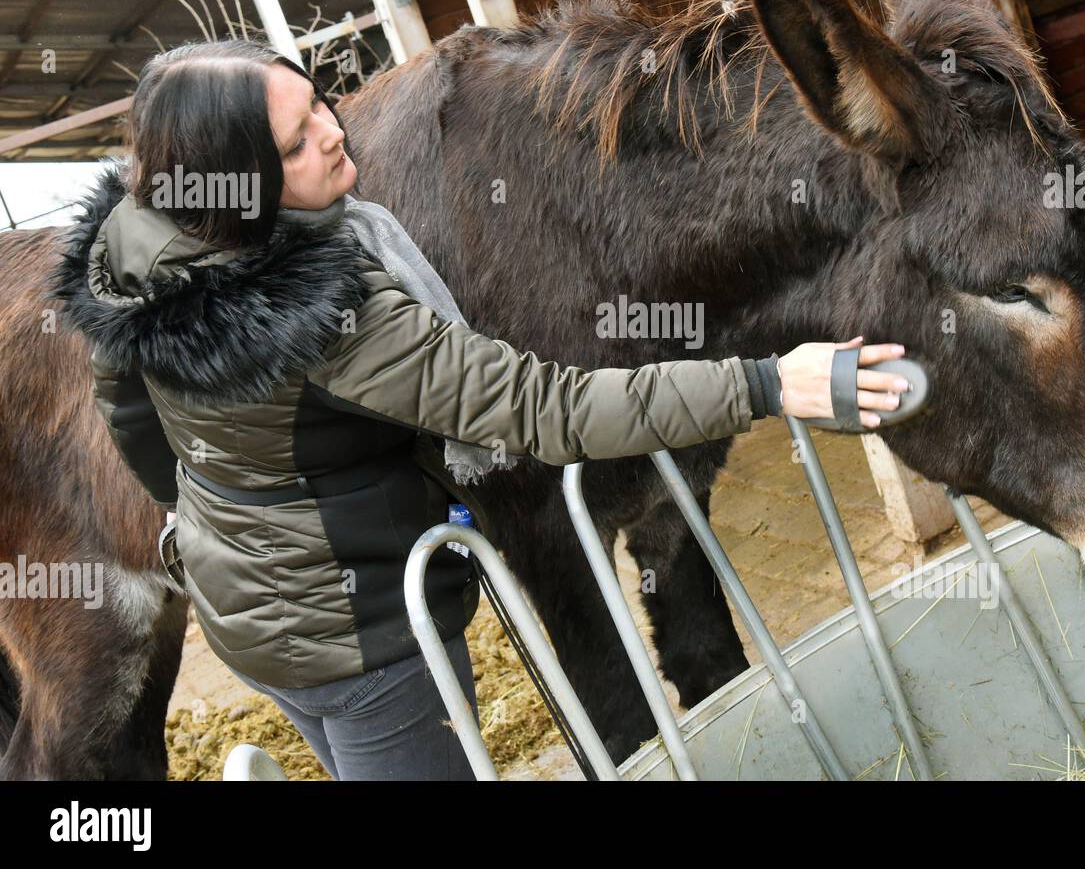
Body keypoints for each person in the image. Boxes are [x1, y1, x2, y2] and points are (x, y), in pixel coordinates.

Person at [53, 40, 912, 781]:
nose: (331, 130)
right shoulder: (331, 324)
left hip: (247, 613)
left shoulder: (137, 252)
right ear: (240, 184)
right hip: (366, 644)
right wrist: (766, 384)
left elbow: (131, 420)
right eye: (294, 142)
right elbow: (547, 406)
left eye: (318, 102)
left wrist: (228, 516)